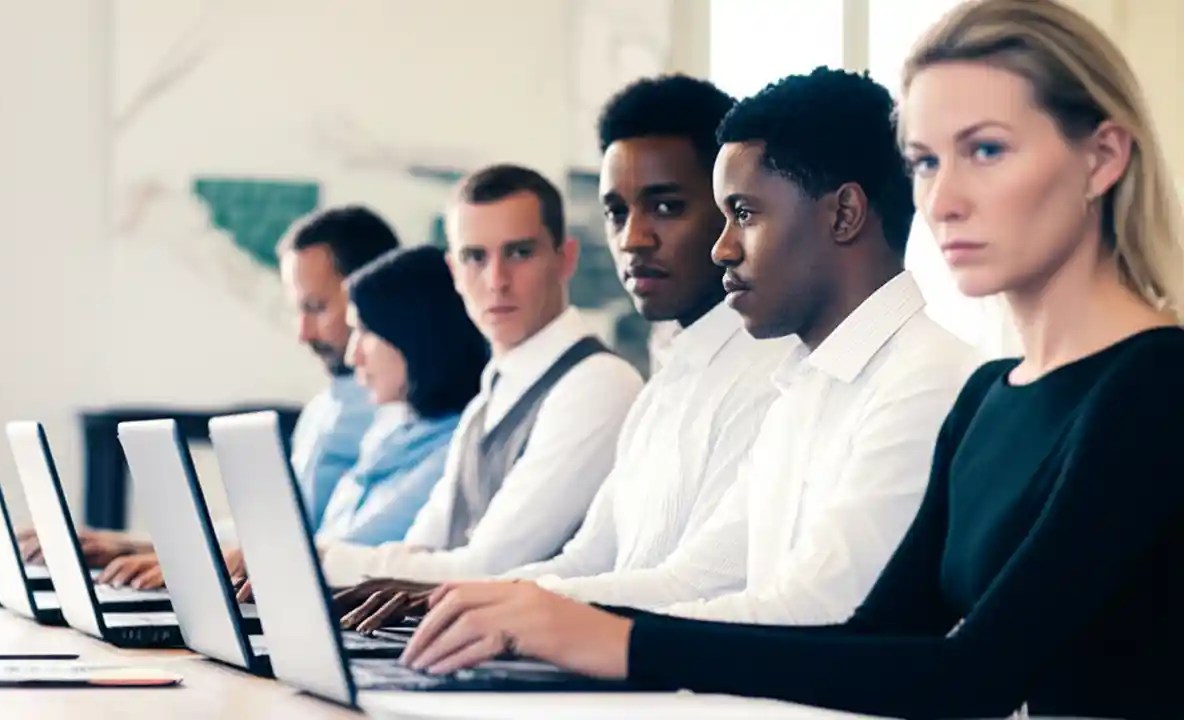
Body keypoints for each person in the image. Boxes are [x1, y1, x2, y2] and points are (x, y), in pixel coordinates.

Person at [400, 2, 1184, 717]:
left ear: (1101, 158)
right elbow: (874, 636)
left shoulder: (1154, 384)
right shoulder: (988, 396)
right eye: (925, 161)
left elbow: (971, 674)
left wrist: (614, 641)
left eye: (984, 150)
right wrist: (556, 622)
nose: (943, 200)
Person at [400, 63, 978, 657]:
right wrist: (492, 602)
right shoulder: (801, 387)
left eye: (744, 215)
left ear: (844, 214)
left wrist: (583, 635)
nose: (723, 246)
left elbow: (821, 612)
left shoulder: (927, 381)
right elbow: (690, 578)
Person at [336, 75, 796, 632]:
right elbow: (586, 558)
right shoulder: (665, 382)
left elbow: (694, 584)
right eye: (616, 213)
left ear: (730, 210)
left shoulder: (768, 376)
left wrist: (477, 596)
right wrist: (452, 595)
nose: (632, 239)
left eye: (667, 207)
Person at [21, 207, 400, 586]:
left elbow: (321, 551)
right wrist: (136, 546)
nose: (302, 332)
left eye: (316, 308)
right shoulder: (324, 408)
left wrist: (173, 557)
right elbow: (272, 533)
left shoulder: (398, 414)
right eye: (297, 309)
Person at [306, 165, 644, 589]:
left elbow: (486, 569)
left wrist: (316, 560)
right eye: (475, 257)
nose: (496, 281)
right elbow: (421, 547)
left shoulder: (595, 386)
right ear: (454, 272)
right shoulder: (494, 390)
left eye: (520, 253)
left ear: (565, 259)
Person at [316, 245, 487, 544]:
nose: (352, 356)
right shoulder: (390, 429)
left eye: (366, 332)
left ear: (412, 336)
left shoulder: (453, 452)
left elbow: (353, 547)